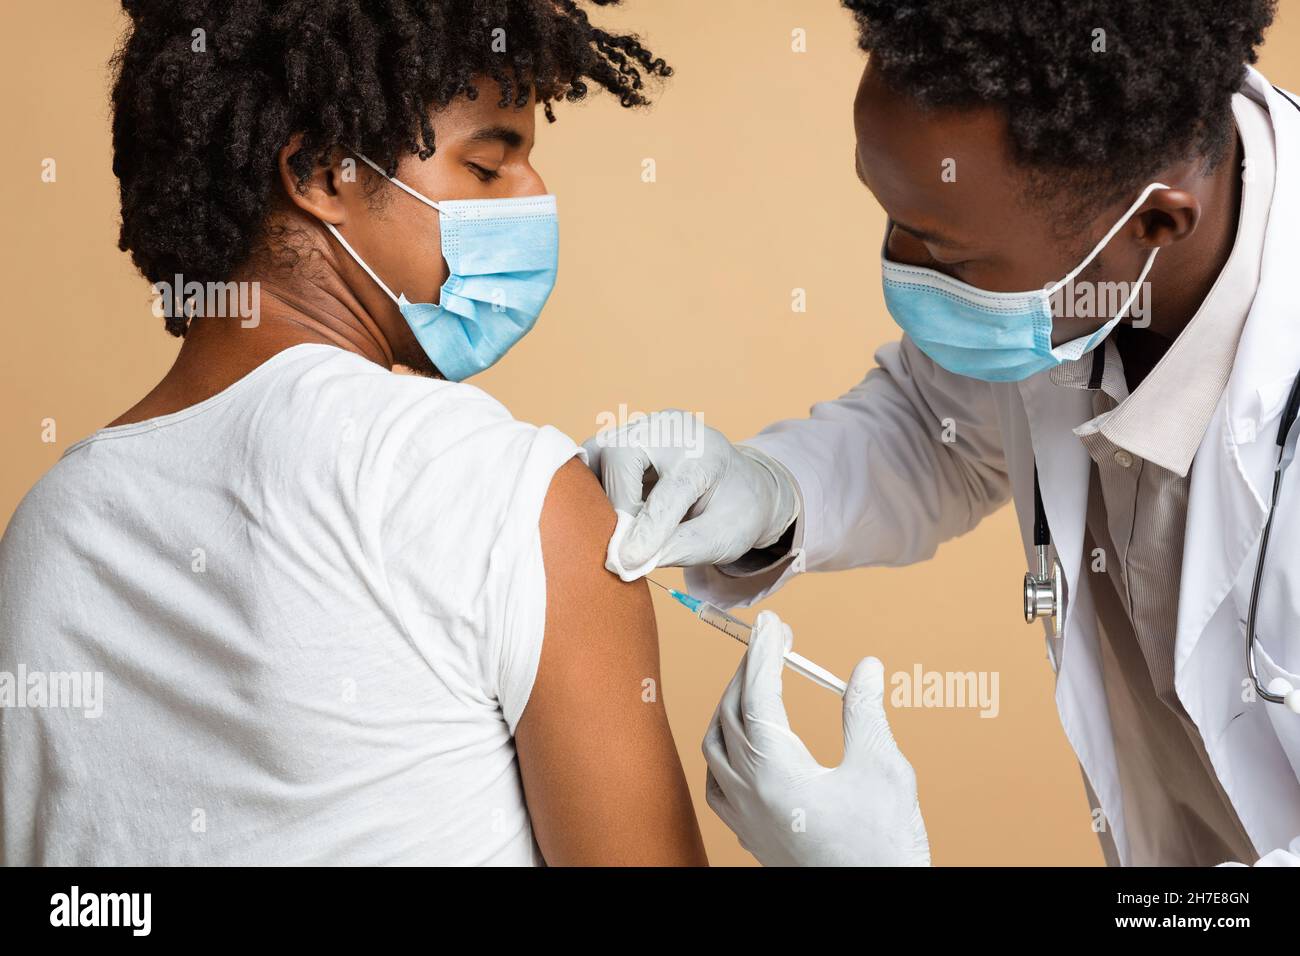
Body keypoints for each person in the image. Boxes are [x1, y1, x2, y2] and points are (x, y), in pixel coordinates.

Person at [586, 0, 1300, 866]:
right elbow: (938, 425)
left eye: (948, 257)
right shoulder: (1084, 247)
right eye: (890, 217)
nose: (898, 269)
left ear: (1154, 223)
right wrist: (769, 490)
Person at [0, 0, 707, 866]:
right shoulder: (491, 481)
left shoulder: (47, 527)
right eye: (488, 169)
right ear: (322, 172)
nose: (537, 199)